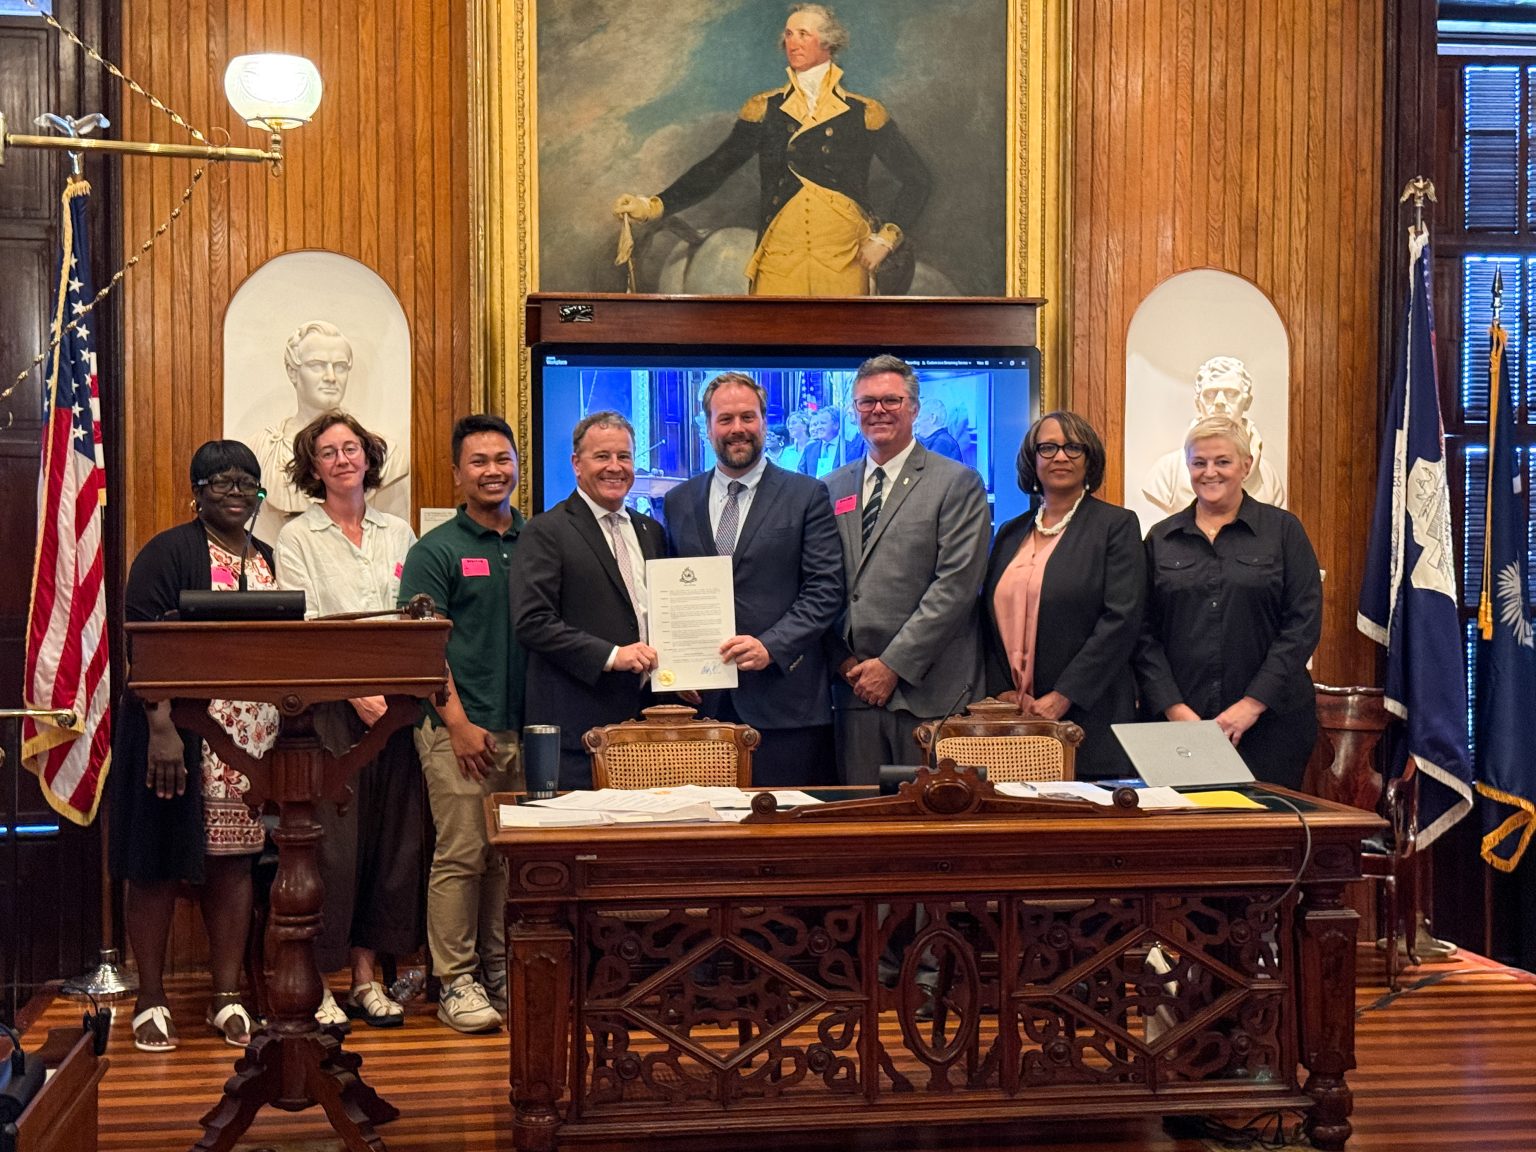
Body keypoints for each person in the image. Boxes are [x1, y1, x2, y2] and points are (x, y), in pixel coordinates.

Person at [110, 441, 277, 1052]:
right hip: (175, 735)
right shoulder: (168, 552)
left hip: (247, 738)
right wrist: (160, 728)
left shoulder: (265, 558)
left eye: (248, 484)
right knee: (153, 862)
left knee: (234, 863)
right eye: (221, 482)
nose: (236, 492)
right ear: (197, 491)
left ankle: (226, 995)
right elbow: (145, 645)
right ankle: (151, 997)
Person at [611, 4, 931, 296]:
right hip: (780, 256)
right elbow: (717, 167)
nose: (793, 42)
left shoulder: (866, 113)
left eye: (803, 34)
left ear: (828, 43)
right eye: (789, 34)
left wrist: (885, 239)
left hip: (845, 257)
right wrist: (654, 205)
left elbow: (918, 180)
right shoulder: (763, 109)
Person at [275, 412, 422, 1029]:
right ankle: (326, 980)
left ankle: (367, 974)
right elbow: (304, 626)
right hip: (330, 710)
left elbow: (415, 614)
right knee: (335, 850)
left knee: (393, 844)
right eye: (329, 451)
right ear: (313, 468)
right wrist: (358, 691)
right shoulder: (297, 537)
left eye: (352, 448)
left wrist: (390, 691)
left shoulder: (399, 530)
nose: (342, 459)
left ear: (368, 457)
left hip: (399, 706)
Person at [397, 414, 527, 1033]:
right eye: (478, 461)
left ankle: (500, 972)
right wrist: (457, 723)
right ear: (457, 473)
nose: (492, 471)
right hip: (458, 728)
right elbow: (423, 649)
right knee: (464, 854)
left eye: (502, 459)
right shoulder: (435, 550)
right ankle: (456, 981)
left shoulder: (539, 539)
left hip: (527, 732)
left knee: (508, 859)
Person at [663, 373, 844, 786]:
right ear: (706, 426)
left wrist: (771, 646)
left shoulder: (806, 494)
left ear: (764, 421)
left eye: (748, 417)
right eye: (725, 419)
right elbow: (667, 593)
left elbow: (826, 588)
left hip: (785, 704)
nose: (737, 429)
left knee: (786, 838)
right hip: (703, 704)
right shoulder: (678, 501)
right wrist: (676, 669)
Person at [824, 354, 990, 784]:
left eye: (891, 400)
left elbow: (955, 587)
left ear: (914, 408)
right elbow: (820, 582)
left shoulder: (956, 482)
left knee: (929, 831)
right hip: (853, 692)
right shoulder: (832, 487)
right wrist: (843, 660)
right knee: (858, 827)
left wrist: (892, 665)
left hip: (928, 693)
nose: (878, 410)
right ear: (853, 410)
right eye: (866, 402)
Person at [1134, 415, 1322, 790]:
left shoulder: (1284, 531)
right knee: (1185, 838)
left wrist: (1250, 706)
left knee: (1265, 838)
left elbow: (1302, 624)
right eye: (1198, 462)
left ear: (1246, 466)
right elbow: (1141, 632)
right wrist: (1174, 709)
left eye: (1223, 461)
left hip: (1271, 724)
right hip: (1180, 725)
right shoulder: (1161, 538)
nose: (1210, 472)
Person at [981, 412, 1145, 778]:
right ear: (1032, 459)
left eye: (1073, 447)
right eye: (1048, 447)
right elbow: (986, 620)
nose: (1060, 457)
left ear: (1090, 459)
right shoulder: (1010, 533)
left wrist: (1063, 696)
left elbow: (1122, 619)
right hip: (1017, 721)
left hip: (1089, 716)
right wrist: (1003, 693)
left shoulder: (1116, 526)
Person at [513, 411, 668, 789]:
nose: (615, 467)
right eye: (602, 457)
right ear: (576, 464)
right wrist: (613, 655)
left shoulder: (651, 531)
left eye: (624, 456)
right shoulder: (545, 531)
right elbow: (532, 622)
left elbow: (660, 614)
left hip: (647, 727)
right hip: (576, 733)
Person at [255, 320, 408, 543]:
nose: (331, 377)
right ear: (292, 371)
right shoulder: (260, 449)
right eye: (317, 365)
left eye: (340, 366)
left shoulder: (386, 452)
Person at [1141, 356, 1287, 514]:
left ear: (1247, 402)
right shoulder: (1166, 472)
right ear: (1198, 402)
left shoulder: (1268, 476)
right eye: (1210, 394)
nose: (1220, 402)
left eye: (1231, 393)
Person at [915, 397, 963, 462]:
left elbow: (926, 469)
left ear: (933, 418)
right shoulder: (933, 440)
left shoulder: (943, 443)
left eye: (919, 417)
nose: (915, 422)